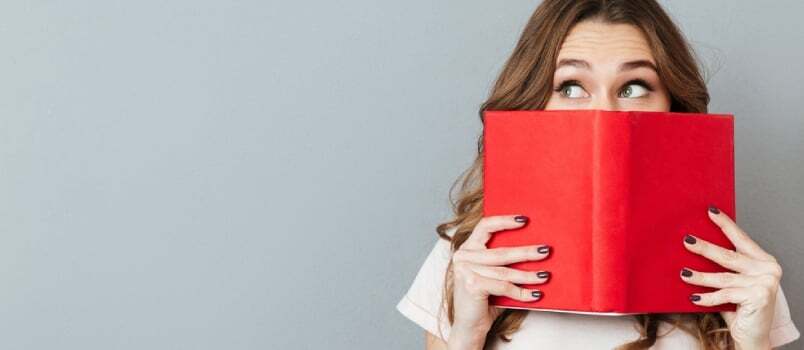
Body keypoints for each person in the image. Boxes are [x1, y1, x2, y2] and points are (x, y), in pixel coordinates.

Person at [395, 0, 801, 349]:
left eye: (634, 87)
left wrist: (753, 342)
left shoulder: (736, 268)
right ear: (535, 101)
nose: (603, 113)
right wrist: (466, 335)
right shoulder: (468, 255)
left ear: (672, 105)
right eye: (571, 86)